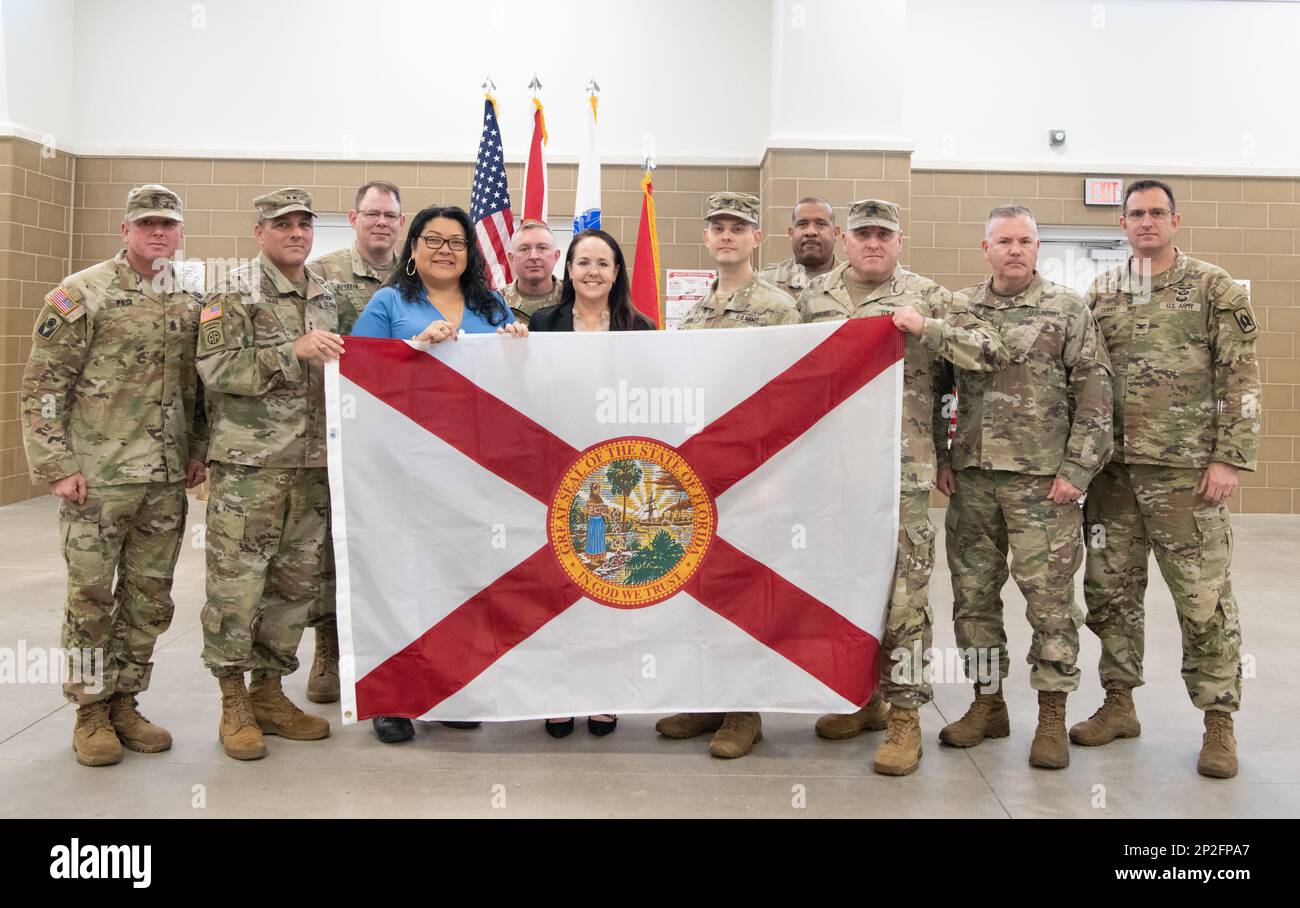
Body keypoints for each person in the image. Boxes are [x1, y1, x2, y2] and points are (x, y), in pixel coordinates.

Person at [799, 199, 1009, 776]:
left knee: (905, 600)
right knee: (844, 589)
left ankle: (904, 714)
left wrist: (929, 329)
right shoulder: (811, 300)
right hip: (831, 473)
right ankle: (862, 698)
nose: (873, 243)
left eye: (883, 235)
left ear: (899, 242)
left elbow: (991, 351)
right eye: (863, 233)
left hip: (902, 472)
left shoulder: (928, 296)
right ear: (845, 239)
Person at [1076, 179, 1259, 779]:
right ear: (1122, 224)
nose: (1146, 222)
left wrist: (1229, 458)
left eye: (1157, 213)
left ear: (1175, 221)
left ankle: (1219, 723)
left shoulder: (1213, 288)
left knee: (1202, 599)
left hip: (1188, 477)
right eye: (1136, 214)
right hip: (1113, 478)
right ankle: (1119, 705)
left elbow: (1242, 380)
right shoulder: (1103, 291)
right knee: (1110, 594)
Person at [20, 184, 207, 767]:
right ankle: (90, 711)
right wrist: (56, 466)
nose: (158, 233)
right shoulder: (81, 294)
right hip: (97, 479)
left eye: (168, 225)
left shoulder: (192, 297)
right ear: (125, 230)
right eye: (147, 222)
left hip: (164, 479)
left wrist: (197, 447)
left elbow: (199, 388)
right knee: (92, 598)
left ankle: (127, 701)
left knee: (149, 598)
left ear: (180, 234)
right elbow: (44, 387)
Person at [934, 205, 1113, 769]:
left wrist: (1076, 473)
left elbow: (1095, 395)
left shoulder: (1067, 309)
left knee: (1051, 605)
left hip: (1043, 486)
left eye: (1026, 240)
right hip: (973, 482)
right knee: (974, 600)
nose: (1015, 249)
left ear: (1038, 248)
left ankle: (1052, 716)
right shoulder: (959, 309)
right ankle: (988, 705)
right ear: (985, 247)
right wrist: (942, 456)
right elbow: (935, 389)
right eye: (1004, 240)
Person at [351, 205, 527, 743]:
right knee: (403, 578)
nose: (446, 249)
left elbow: (516, 385)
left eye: (457, 241)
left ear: (471, 253)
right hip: (404, 467)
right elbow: (357, 372)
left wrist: (518, 345)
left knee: (462, 580)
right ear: (414, 246)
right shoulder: (388, 302)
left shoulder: (491, 303)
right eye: (434, 239)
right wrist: (412, 351)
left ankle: (451, 688)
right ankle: (396, 697)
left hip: (475, 470)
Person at [197, 188, 338, 761]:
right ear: (260, 231)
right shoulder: (230, 293)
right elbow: (215, 367)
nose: (297, 233)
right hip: (248, 470)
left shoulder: (325, 295)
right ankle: (233, 700)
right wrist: (292, 351)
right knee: (237, 586)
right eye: (283, 224)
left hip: (311, 466)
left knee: (294, 586)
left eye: (305, 224)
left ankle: (270, 693)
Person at [655, 191, 798, 759]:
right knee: (703, 584)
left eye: (738, 227)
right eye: (718, 226)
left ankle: (745, 708)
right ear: (707, 237)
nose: (727, 235)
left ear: (756, 239)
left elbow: (792, 392)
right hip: (702, 472)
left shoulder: (780, 308)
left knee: (747, 586)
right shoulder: (692, 317)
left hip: (757, 470)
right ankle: (709, 694)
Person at [529, 227, 654, 738]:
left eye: (603, 262)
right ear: (569, 270)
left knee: (609, 579)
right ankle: (558, 692)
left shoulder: (640, 328)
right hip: (557, 471)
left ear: (617, 271)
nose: (593, 271)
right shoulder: (542, 322)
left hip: (614, 473)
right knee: (555, 583)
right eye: (583, 262)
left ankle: (605, 692)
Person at [302, 179, 405, 706]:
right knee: (333, 546)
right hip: (339, 432)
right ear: (354, 218)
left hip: (403, 439)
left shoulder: (420, 275)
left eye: (390, 214)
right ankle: (330, 649)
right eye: (372, 214)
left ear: (401, 222)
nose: (382, 222)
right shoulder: (323, 274)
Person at [758, 196, 841, 298]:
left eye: (821, 224)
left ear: (835, 233)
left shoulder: (855, 282)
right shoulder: (765, 282)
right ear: (791, 234)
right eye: (802, 224)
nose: (811, 232)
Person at [502, 220, 565, 325]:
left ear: (556, 256)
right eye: (524, 249)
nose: (534, 256)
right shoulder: (495, 303)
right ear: (511, 258)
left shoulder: (573, 297)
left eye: (542, 248)